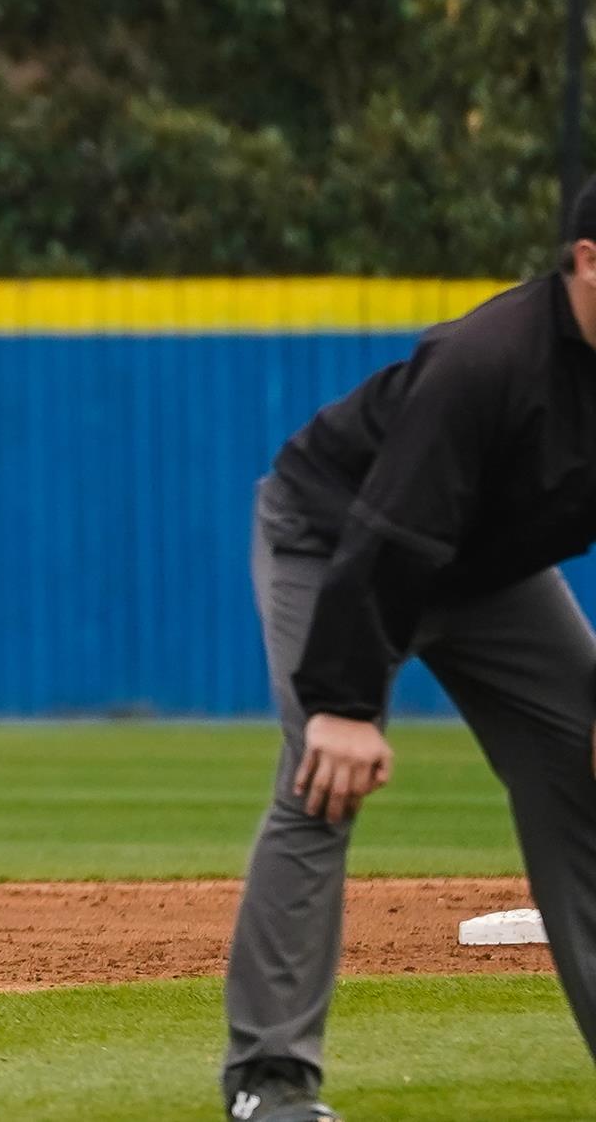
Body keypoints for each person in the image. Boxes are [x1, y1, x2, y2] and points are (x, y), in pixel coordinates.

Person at [222, 178, 596, 1120]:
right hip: (335, 539)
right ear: (589, 262)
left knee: (583, 769)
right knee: (322, 783)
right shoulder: (487, 360)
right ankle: (271, 1085)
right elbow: (388, 537)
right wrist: (344, 708)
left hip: (489, 574)